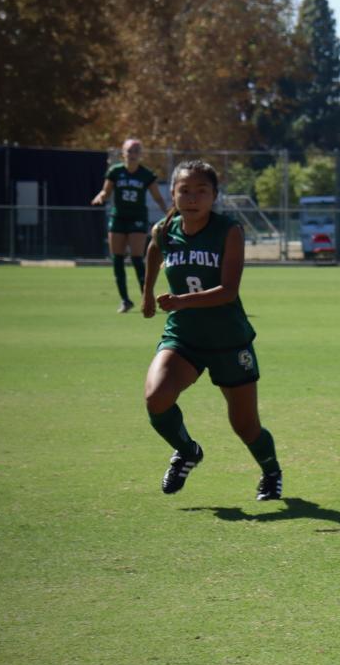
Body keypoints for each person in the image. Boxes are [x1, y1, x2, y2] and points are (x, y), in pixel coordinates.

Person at [141, 160, 283, 501]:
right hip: (184, 337)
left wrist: (181, 300)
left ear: (214, 196)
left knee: (245, 425)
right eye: (184, 190)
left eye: (201, 191)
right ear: (173, 194)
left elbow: (228, 291)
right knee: (156, 398)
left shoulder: (228, 230)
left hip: (228, 339)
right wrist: (146, 295)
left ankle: (271, 471)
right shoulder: (164, 229)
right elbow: (152, 251)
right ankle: (187, 451)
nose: (192, 197)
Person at [92, 139, 169, 313]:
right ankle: (125, 300)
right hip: (118, 218)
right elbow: (106, 190)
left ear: (140, 154)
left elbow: (157, 197)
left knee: (136, 258)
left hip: (137, 218)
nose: (132, 154)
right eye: (129, 150)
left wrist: (168, 213)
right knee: (117, 259)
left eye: (136, 151)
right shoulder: (115, 171)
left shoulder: (146, 174)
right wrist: (101, 196)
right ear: (123, 153)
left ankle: (146, 297)